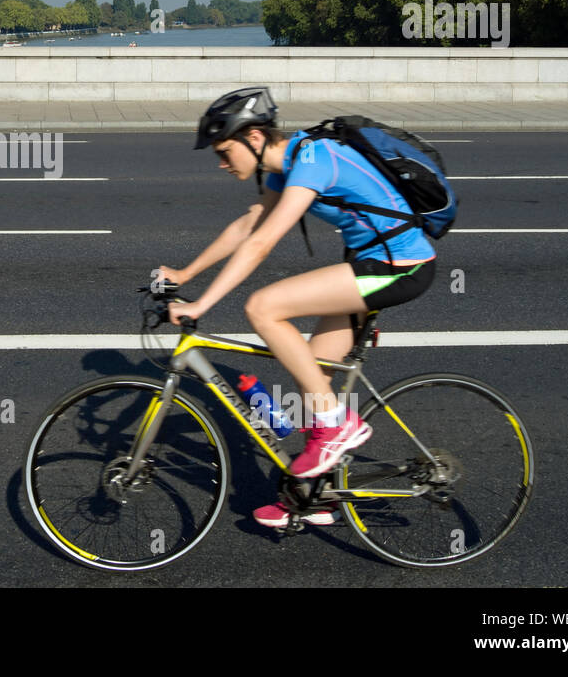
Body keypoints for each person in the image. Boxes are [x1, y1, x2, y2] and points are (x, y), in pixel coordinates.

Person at [158, 87, 437, 528]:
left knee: (264, 307)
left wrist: (204, 304)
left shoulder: (312, 159)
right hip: (366, 265)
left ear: (252, 137)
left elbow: (263, 244)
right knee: (315, 380)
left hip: (401, 265)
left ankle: (337, 429)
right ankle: (313, 499)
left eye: (224, 150)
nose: (221, 162)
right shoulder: (282, 169)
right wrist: (186, 274)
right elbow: (251, 224)